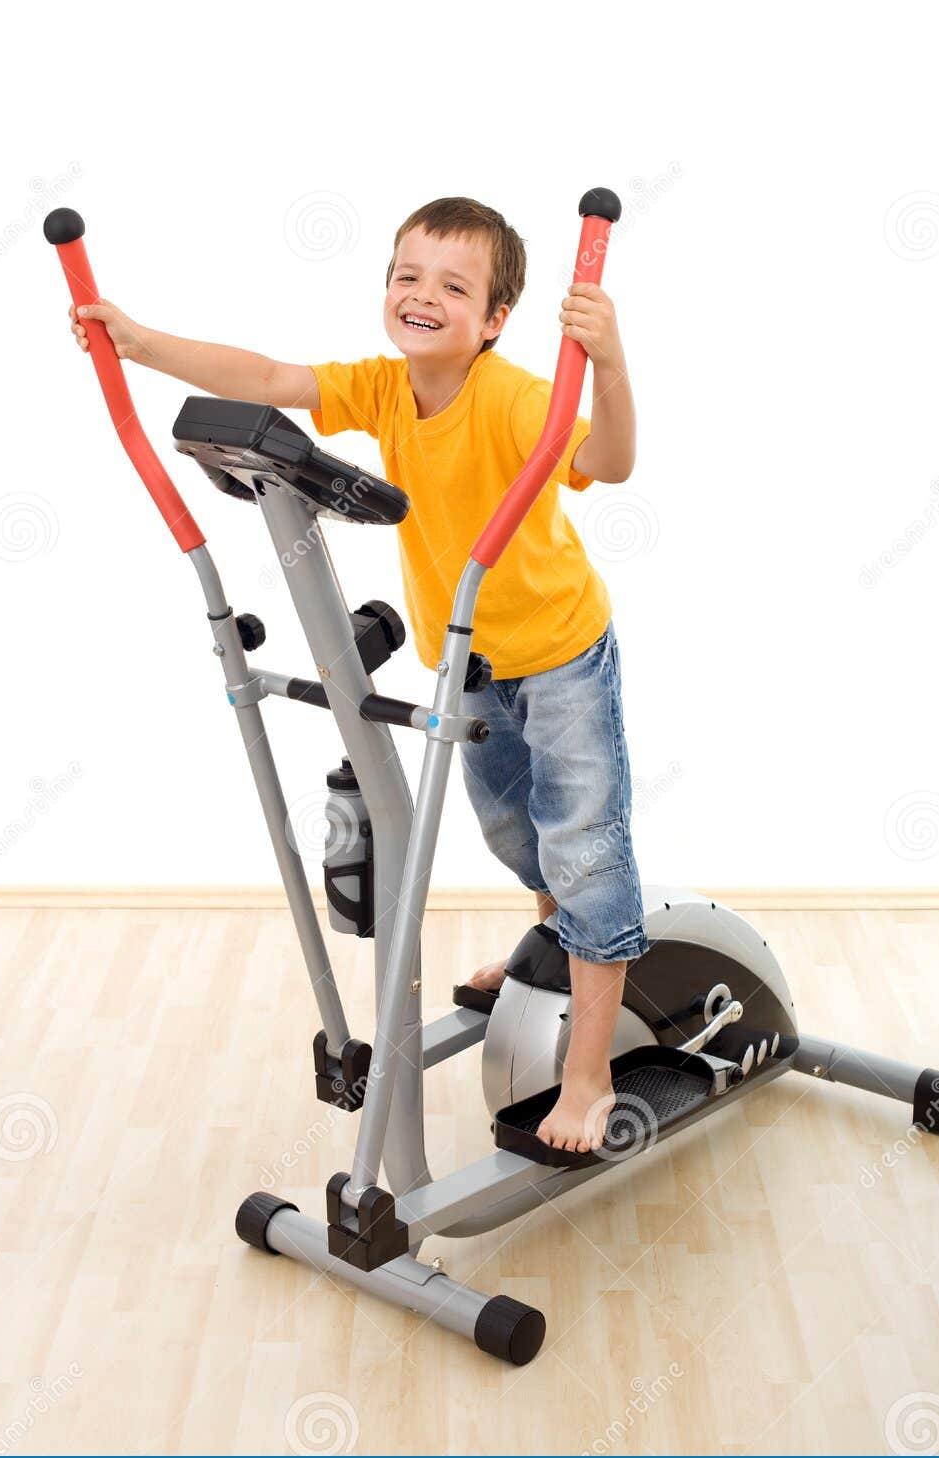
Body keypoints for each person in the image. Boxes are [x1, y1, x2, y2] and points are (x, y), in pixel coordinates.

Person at [69, 194, 646, 1153]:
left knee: (583, 847)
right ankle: (548, 943)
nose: (422, 296)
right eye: (406, 277)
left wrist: (613, 363)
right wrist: (136, 342)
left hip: (560, 653)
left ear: (494, 320)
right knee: (514, 831)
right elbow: (265, 375)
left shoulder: (507, 396)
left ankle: (587, 1072)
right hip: (468, 661)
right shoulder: (383, 389)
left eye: (453, 286)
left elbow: (610, 462)